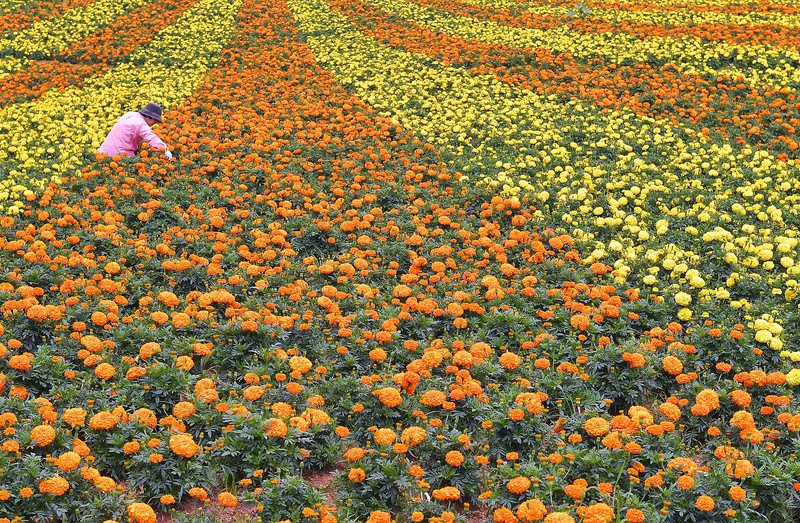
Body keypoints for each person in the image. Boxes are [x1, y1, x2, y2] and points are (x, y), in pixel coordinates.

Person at [98, 102, 173, 159]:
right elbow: (150, 137)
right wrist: (165, 149)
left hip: (104, 151)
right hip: (118, 155)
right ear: (149, 117)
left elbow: (129, 135)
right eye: (155, 121)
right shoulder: (140, 124)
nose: (154, 123)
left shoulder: (130, 114)